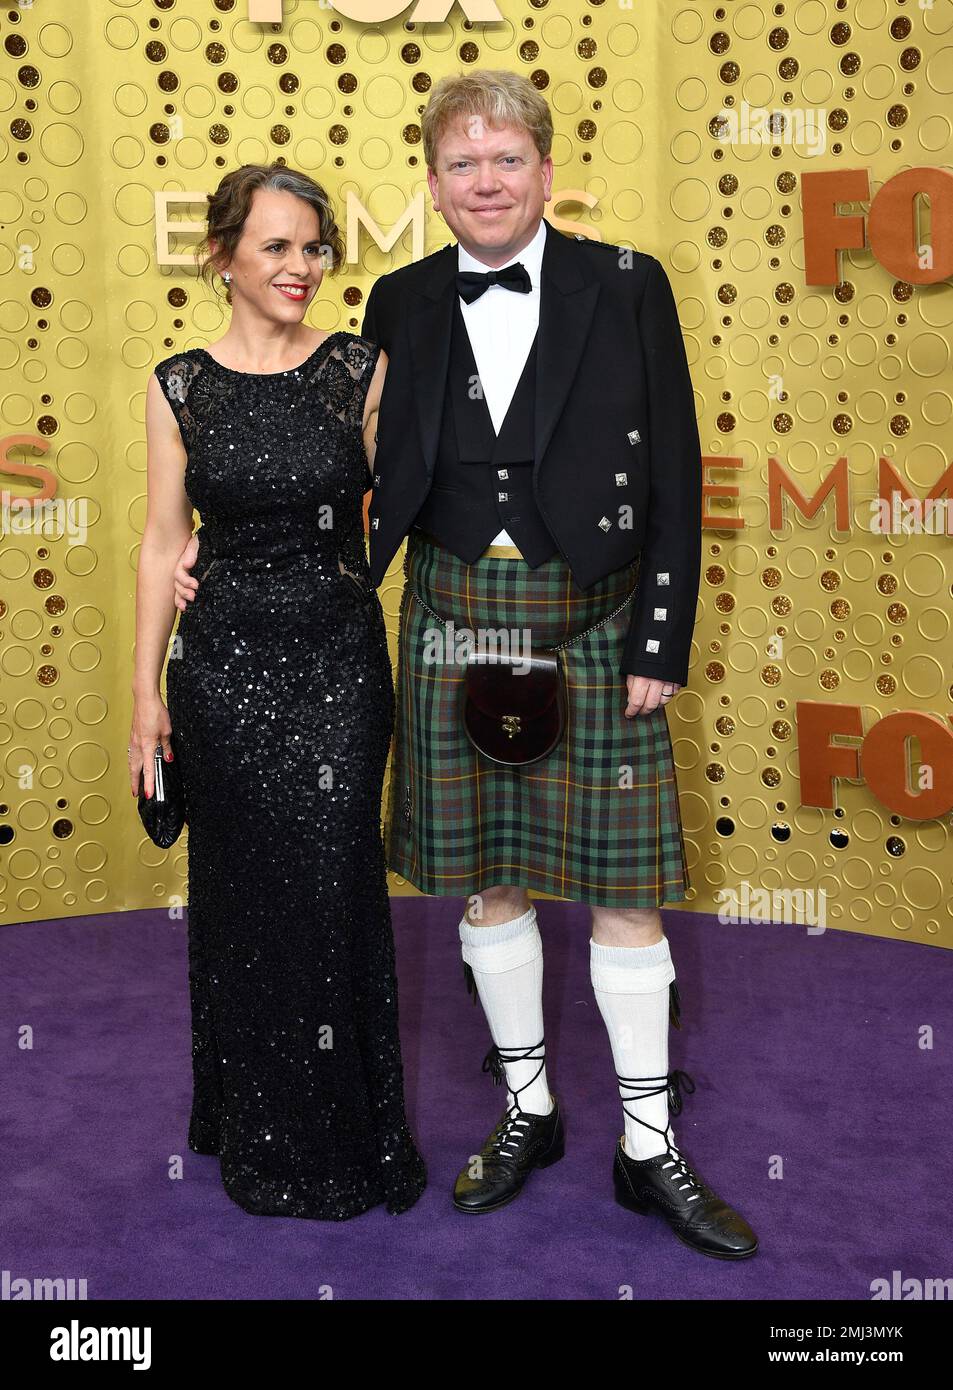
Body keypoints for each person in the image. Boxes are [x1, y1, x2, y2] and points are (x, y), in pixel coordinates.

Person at [130, 162, 426, 1220]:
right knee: (245, 897)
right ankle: (251, 1120)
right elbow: (162, 539)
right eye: (277, 247)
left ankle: (346, 1136)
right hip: (219, 674)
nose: (301, 267)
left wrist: (346, 575)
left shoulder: (359, 369)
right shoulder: (179, 384)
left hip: (339, 669)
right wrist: (144, 697)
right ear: (223, 256)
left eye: (313, 248)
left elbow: (400, 507)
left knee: (330, 885)